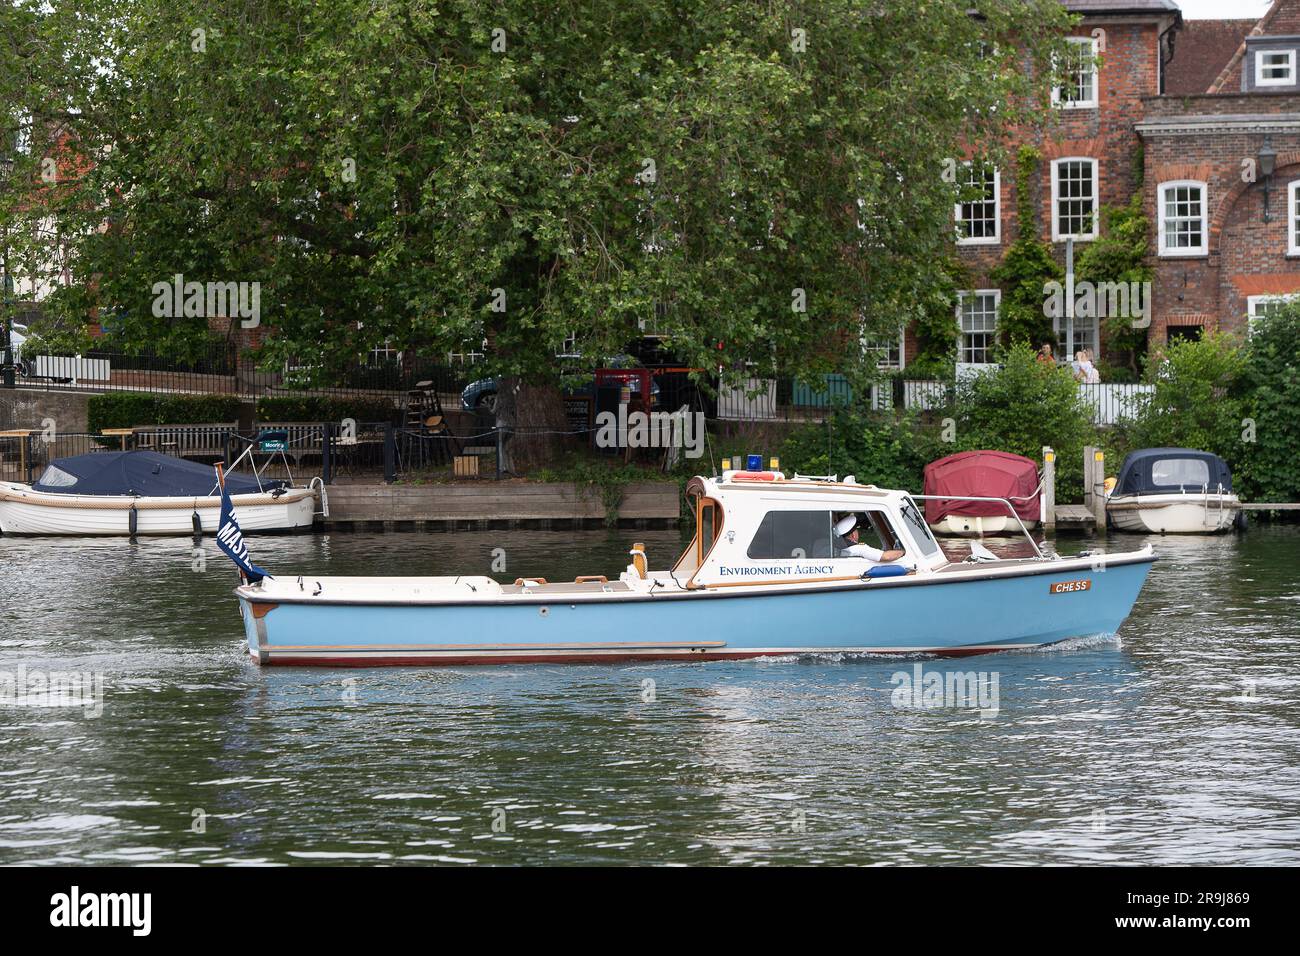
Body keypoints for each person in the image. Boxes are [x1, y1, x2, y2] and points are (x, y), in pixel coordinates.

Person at [834, 514, 905, 563]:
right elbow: (887, 557)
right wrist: (902, 552)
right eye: (857, 531)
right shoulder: (859, 548)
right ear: (853, 535)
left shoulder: (839, 548)